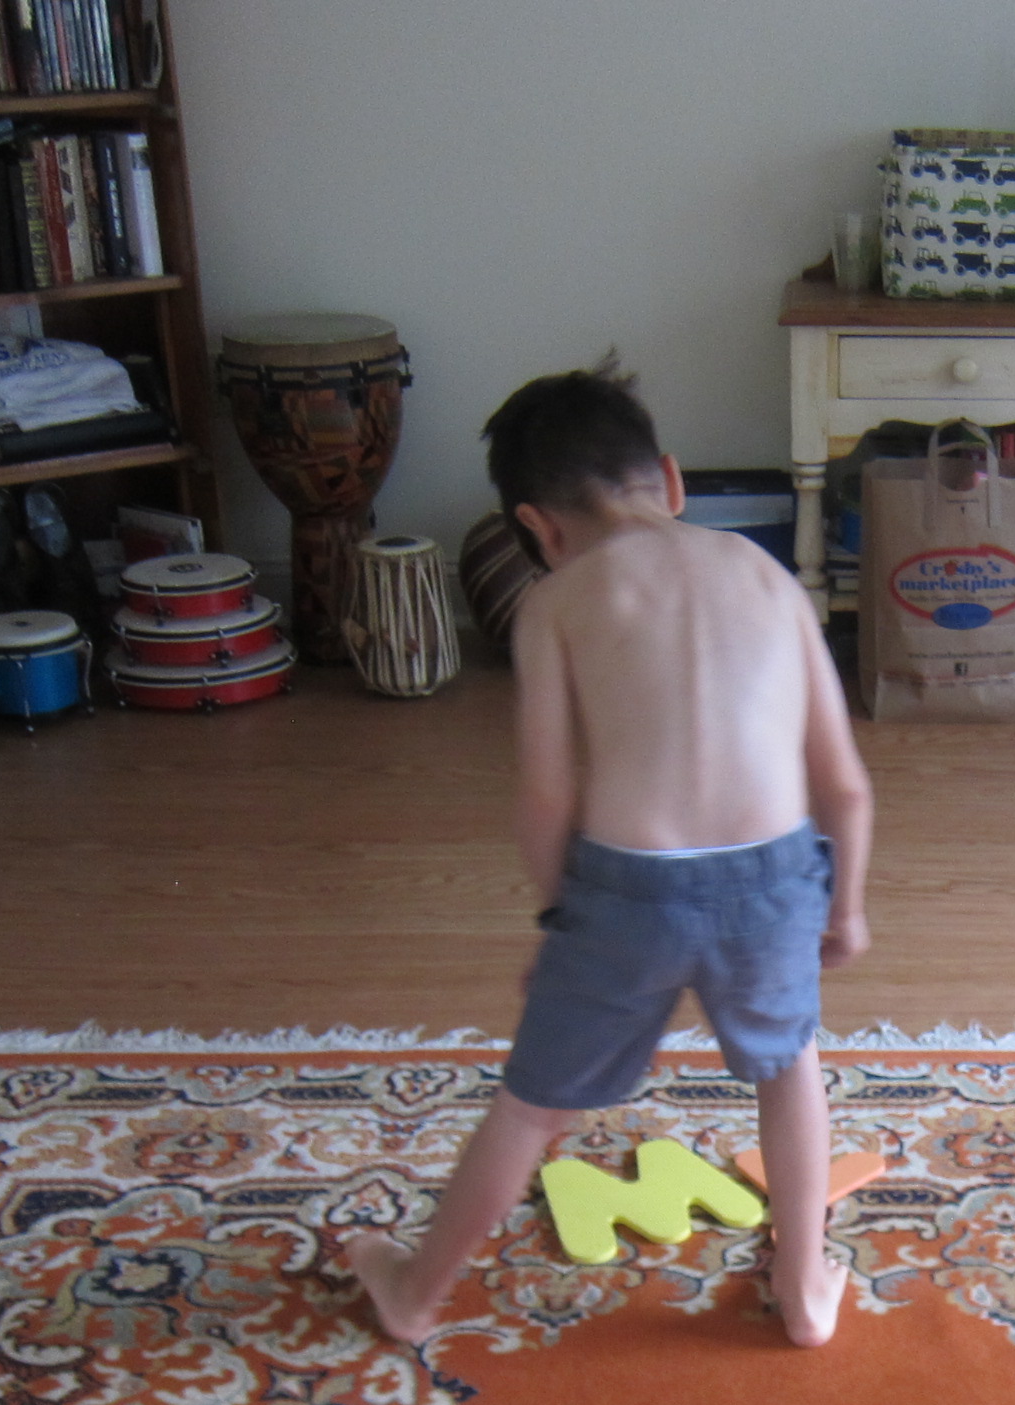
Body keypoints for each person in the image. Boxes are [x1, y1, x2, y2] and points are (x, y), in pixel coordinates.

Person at [346, 364, 872, 1349]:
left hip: (631, 889)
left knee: (531, 1106)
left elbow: (546, 796)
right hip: (771, 881)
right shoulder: (767, 576)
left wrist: (563, 918)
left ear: (537, 529)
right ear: (669, 479)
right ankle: (804, 1290)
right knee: (790, 1066)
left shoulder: (554, 604)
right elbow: (843, 783)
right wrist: (844, 909)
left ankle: (414, 1294)